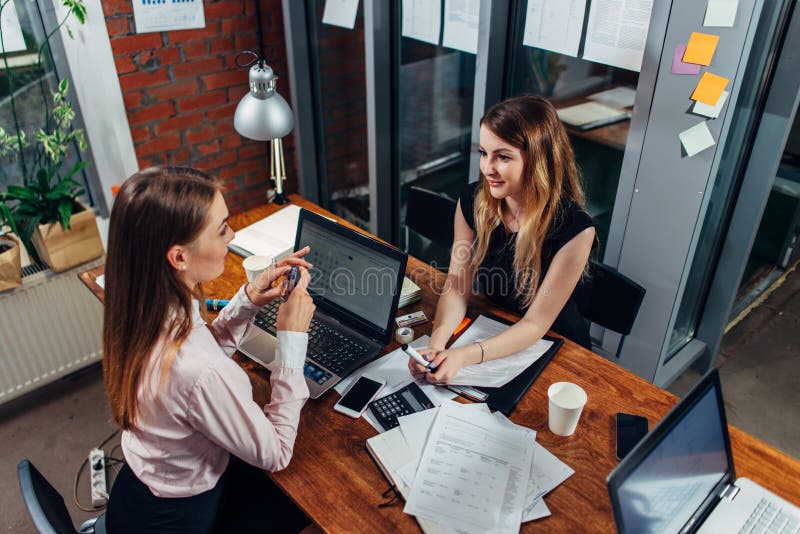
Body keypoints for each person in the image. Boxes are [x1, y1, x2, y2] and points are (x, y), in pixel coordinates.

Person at [103, 166, 316, 533]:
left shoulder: (138, 308)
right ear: (179, 258)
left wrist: (246, 301)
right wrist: (291, 340)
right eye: (221, 229)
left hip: (137, 489)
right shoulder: (200, 370)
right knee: (311, 499)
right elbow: (276, 452)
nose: (232, 236)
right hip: (178, 519)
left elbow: (199, 354)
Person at [409, 96, 596, 384]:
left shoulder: (576, 230)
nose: (487, 168)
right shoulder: (472, 201)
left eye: (503, 157)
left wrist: (463, 355)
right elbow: (458, 286)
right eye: (484, 153)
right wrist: (436, 345)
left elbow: (535, 324)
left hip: (556, 349)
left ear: (538, 160)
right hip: (495, 326)